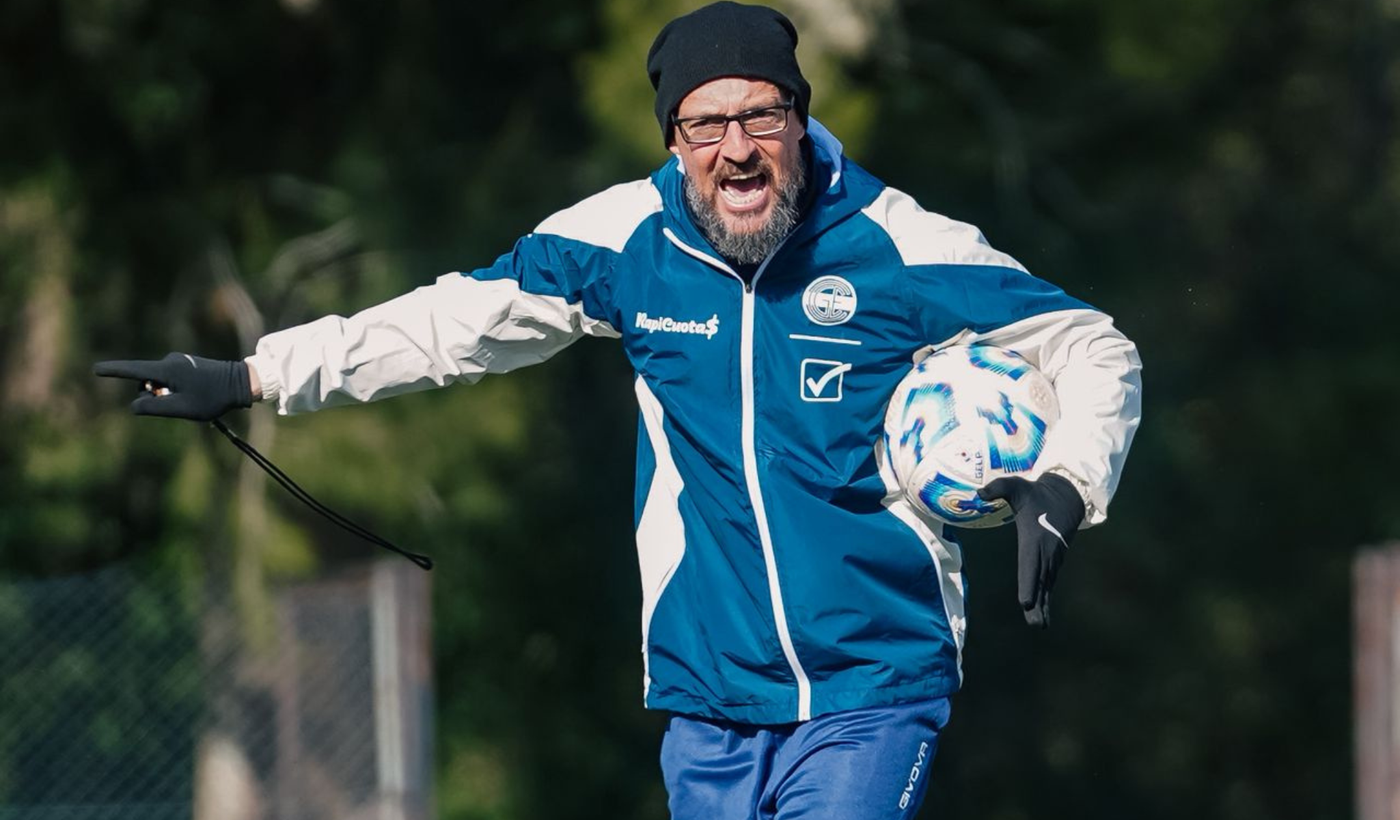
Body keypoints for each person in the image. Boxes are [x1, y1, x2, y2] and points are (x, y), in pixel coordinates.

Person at [96, 2, 1142, 816]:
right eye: (704, 124)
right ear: (673, 138)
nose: (735, 147)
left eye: (758, 115)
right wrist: (254, 375)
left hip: (874, 681)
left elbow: (1092, 344)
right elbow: (455, 322)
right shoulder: (625, 243)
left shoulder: (895, 244)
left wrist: (1067, 479)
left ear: (799, 116)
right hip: (707, 698)